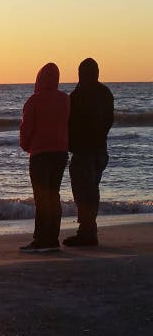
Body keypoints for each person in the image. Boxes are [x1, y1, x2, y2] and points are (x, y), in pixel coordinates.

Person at [19, 63, 70, 252]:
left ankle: (41, 239)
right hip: (60, 153)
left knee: (41, 197)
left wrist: (26, 146)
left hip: (40, 154)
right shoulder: (65, 99)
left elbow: (26, 128)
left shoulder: (34, 100)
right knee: (53, 194)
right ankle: (52, 238)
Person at [64, 58, 114, 246]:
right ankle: (88, 230)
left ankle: (87, 232)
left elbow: (70, 122)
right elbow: (109, 120)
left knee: (82, 192)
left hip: (83, 151)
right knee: (92, 191)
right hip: (100, 150)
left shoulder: (78, 95)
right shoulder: (105, 92)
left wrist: (71, 143)